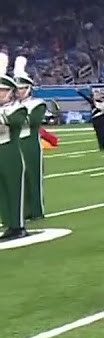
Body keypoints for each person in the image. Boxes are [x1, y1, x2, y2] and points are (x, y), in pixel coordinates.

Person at [13, 57, 46, 220]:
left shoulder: (38, 103)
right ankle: (23, 211)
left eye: (22, 88)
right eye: (17, 88)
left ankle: (36, 210)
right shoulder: (12, 106)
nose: (18, 91)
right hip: (15, 144)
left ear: (28, 88)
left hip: (30, 143)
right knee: (19, 180)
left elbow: (32, 121)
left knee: (34, 177)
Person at [0, 60, 30, 240]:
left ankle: (18, 225)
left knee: (14, 189)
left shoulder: (17, 107)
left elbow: (15, 122)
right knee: (2, 191)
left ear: (11, 92)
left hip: (11, 150)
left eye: (3, 90)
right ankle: (9, 223)